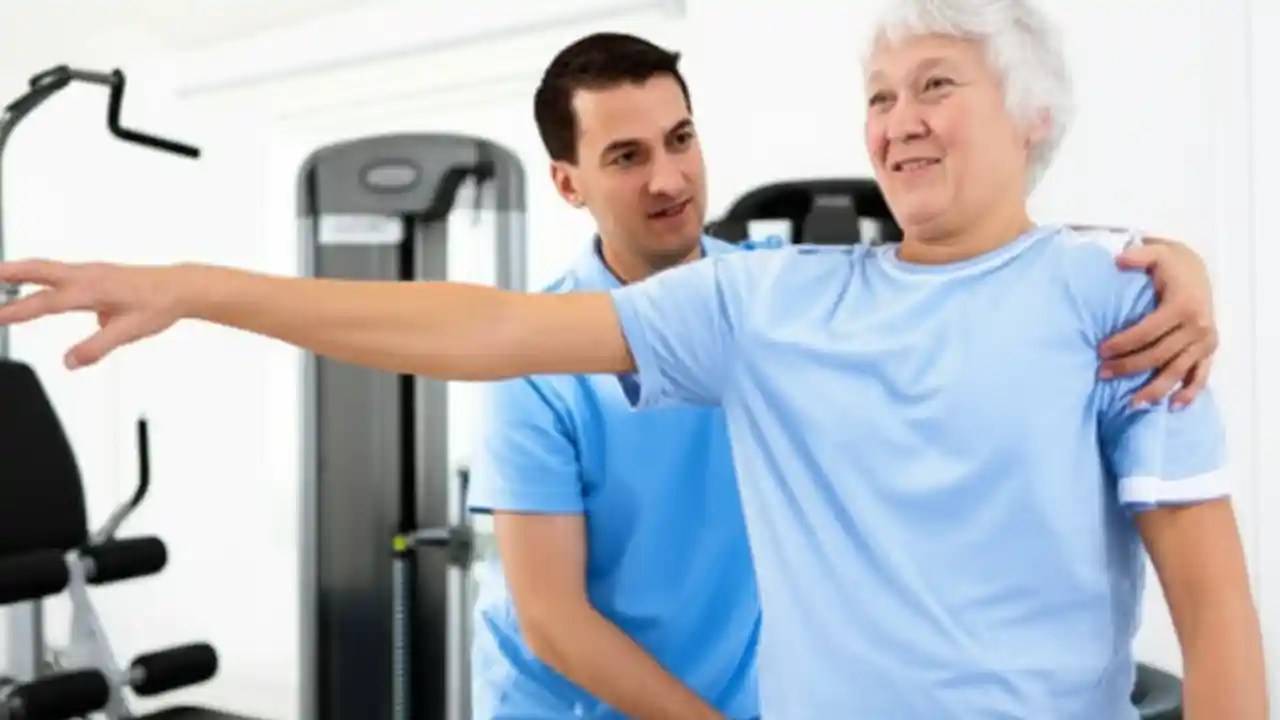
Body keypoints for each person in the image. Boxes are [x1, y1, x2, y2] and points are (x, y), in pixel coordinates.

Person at [0, 1, 1264, 716]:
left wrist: (1157, 256)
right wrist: (196, 288)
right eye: (877, 95)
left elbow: (1214, 617)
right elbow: (481, 329)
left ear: (1032, 119)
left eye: (934, 84)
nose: (896, 119)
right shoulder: (764, 305)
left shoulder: (1121, 298)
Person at [469, 30, 1221, 720]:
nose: (668, 179)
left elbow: (979, 257)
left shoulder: (770, 294)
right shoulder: (541, 367)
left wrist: (1165, 263)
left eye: (681, 139)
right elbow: (554, 622)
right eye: (627, 157)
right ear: (569, 184)